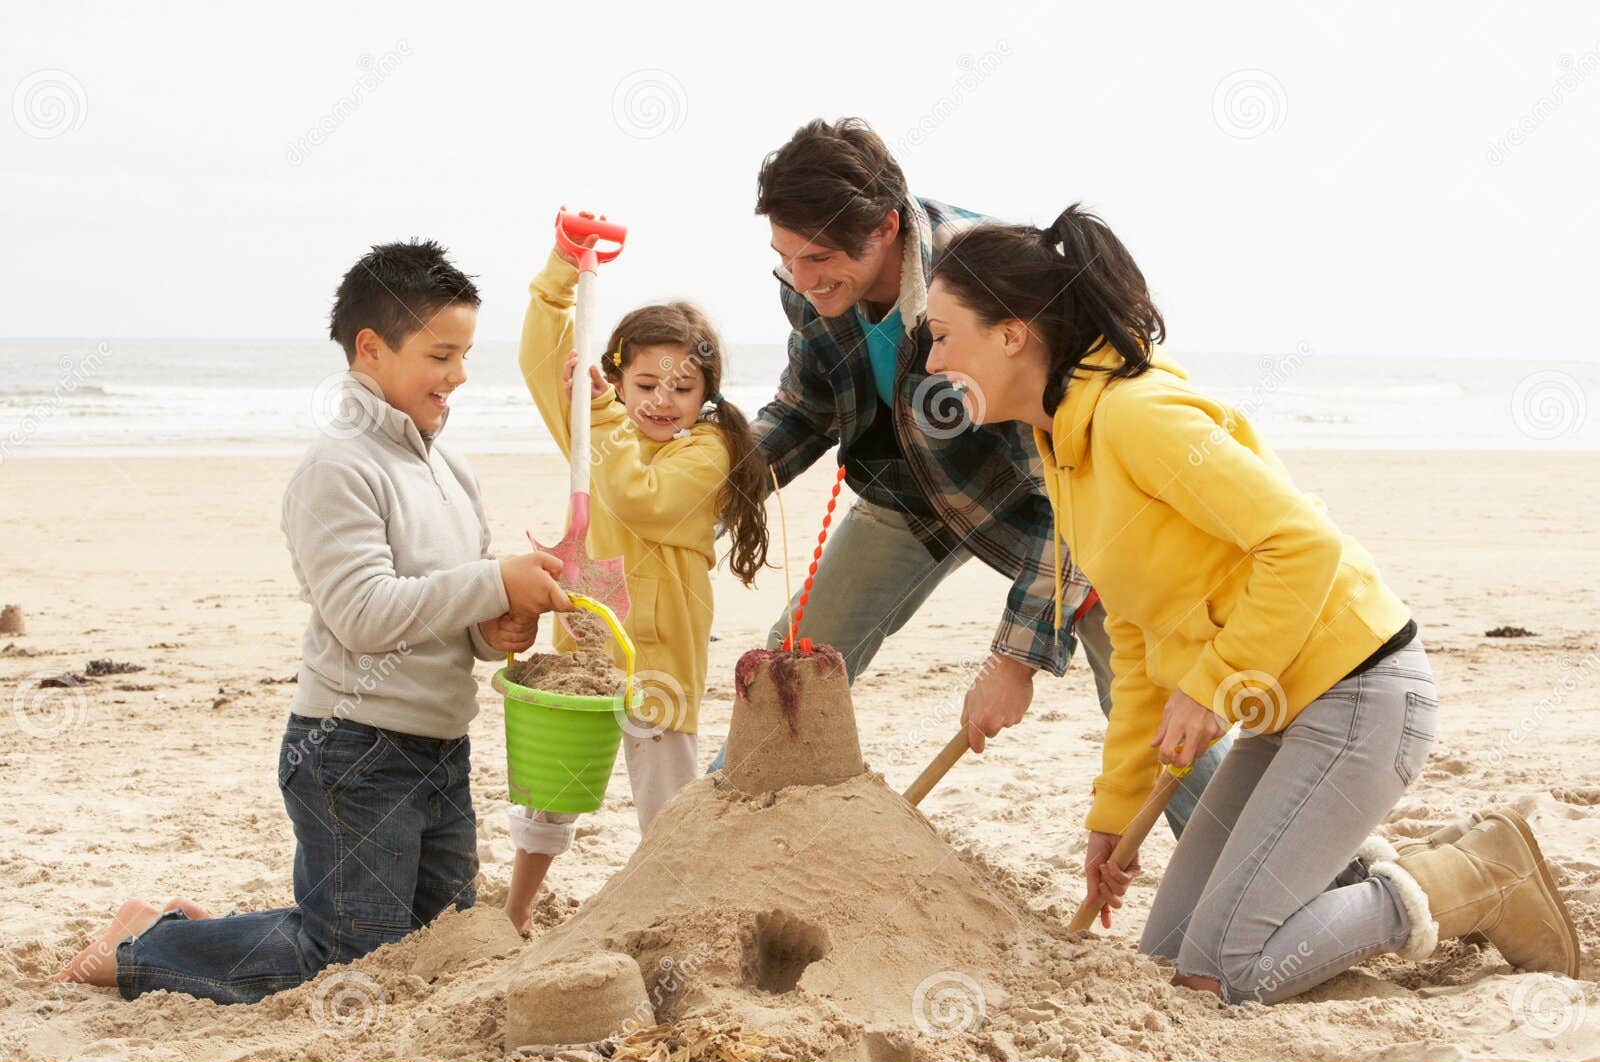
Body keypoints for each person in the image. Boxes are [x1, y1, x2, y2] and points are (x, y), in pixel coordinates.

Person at [921, 206, 1581, 1000]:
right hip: (1281, 712)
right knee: (1164, 959)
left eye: (940, 332)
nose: (931, 359)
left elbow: (1304, 545)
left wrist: (1213, 680)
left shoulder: (1137, 417)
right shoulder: (1063, 447)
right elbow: (1135, 642)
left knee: (1224, 972)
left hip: (1360, 690)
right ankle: (1345, 870)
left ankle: (1474, 875)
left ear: (1011, 333)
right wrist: (1114, 813)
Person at [54, 240, 571, 1001]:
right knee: (346, 955)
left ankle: (175, 926)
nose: (459, 374)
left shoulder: (449, 469)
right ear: (371, 348)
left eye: (464, 354)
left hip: (441, 749)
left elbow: (451, 611)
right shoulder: (339, 467)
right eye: (441, 353)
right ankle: (145, 942)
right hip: (353, 751)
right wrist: (493, 581)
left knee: (441, 940)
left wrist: (494, 628)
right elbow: (364, 613)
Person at [720, 117, 1227, 829]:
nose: (801, 281)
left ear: (887, 227)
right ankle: (722, 841)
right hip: (915, 491)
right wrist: (704, 484)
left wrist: (1014, 658)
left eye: (819, 259)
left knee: (1149, 697)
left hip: (1053, 502)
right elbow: (804, 408)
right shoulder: (810, 284)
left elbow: (1075, 486)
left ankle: (1259, 869)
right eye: (786, 260)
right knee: (789, 663)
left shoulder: (987, 281)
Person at [506, 236, 770, 934]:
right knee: (550, 791)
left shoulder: (705, 452)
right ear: (617, 380)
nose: (662, 401)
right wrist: (562, 273)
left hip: (660, 662)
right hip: (583, 651)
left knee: (667, 803)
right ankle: (517, 907)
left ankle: (678, 918)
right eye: (645, 385)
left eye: (682, 388)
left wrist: (598, 419)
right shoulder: (599, 431)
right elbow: (540, 360)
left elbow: (641, 497)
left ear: (706, 394)